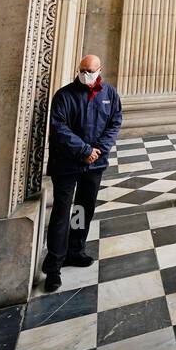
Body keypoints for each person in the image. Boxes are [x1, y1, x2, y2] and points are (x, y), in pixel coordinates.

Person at [42, 55, 122, 293]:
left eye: (90, 70)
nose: (86, 73)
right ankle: (53, 266)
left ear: (99, 70)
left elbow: (115, 122)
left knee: (82, 208)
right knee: (61, 211)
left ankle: (76, 250)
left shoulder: (110, 94)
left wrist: (97, 151)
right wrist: (85, 150)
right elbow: (59, 128)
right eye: (83, 70)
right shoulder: (64, 95)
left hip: (94, 164)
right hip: (67, 164)